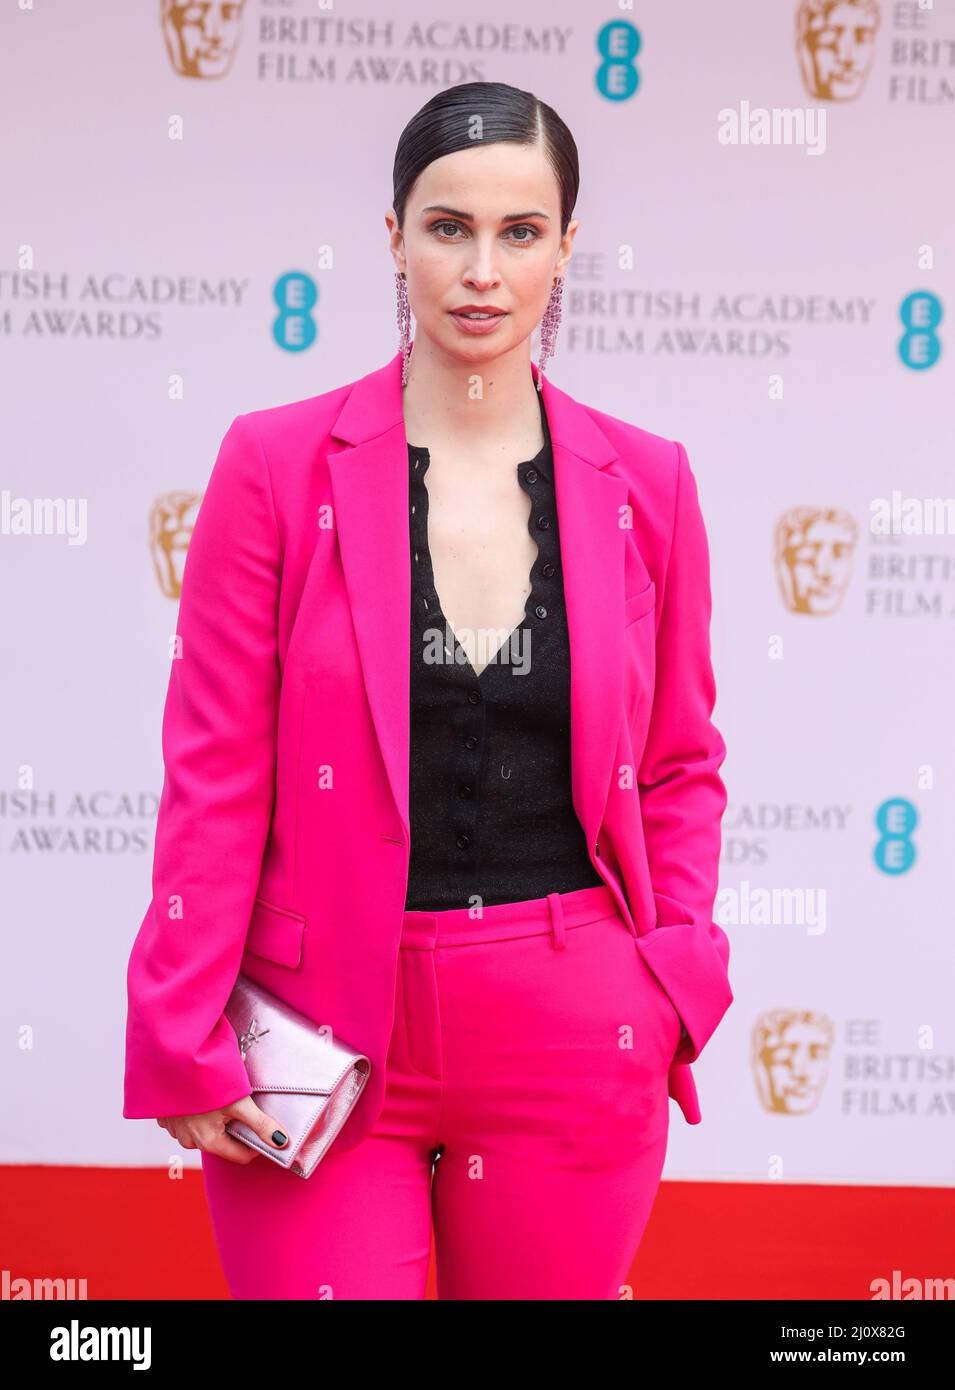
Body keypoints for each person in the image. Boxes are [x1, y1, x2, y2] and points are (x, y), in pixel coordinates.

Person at [123, 80, 733, 1300]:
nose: (482, 270)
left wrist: (672, 978)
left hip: (572, 1024)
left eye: (519, 232)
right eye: (447, 226)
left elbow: (677, 764)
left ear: (567, 246)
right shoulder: (274, 464)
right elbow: (216, 767)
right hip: (319, 1031)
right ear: (392, 237)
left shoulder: (648, 483)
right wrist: (177, 1026)